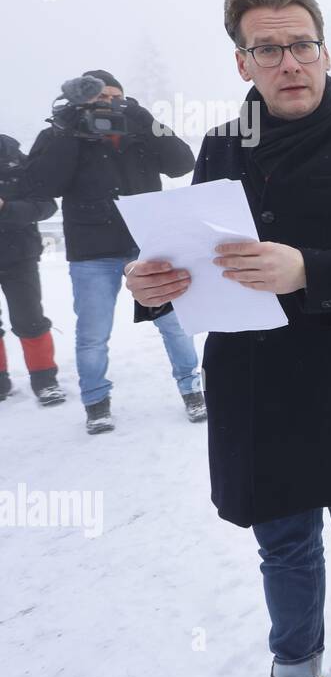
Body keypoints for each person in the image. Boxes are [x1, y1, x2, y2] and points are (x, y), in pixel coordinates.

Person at [124, 0, 331, 677]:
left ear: (324, 51)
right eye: (268, 50)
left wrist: (309, 271)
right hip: (255, 385)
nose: (289, 62)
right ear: (243, 63)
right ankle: (296, 669)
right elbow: (200, 259)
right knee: (284, 549)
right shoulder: (223, 144)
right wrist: (154, 289)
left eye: (302, 44)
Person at [21, 70, 202, 432]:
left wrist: (144, 119)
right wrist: (68, 128)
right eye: (96, 97)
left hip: (148, 243)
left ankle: (192, 390)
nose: (105, 103)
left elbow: (183, 162)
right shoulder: (64, 130)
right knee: (92, 333)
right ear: (80, 99)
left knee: (174, 324)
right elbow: (41, 184)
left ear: (125, 97)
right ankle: (96, 403)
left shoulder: (139, 127)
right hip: (92, 251)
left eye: (113, 96)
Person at [0, 133, 63, 405]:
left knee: (30, 320)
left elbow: (46, 205)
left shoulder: (19, 163)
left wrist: (6, 208)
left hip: (19, 257)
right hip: (19, 253)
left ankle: (45, 380)